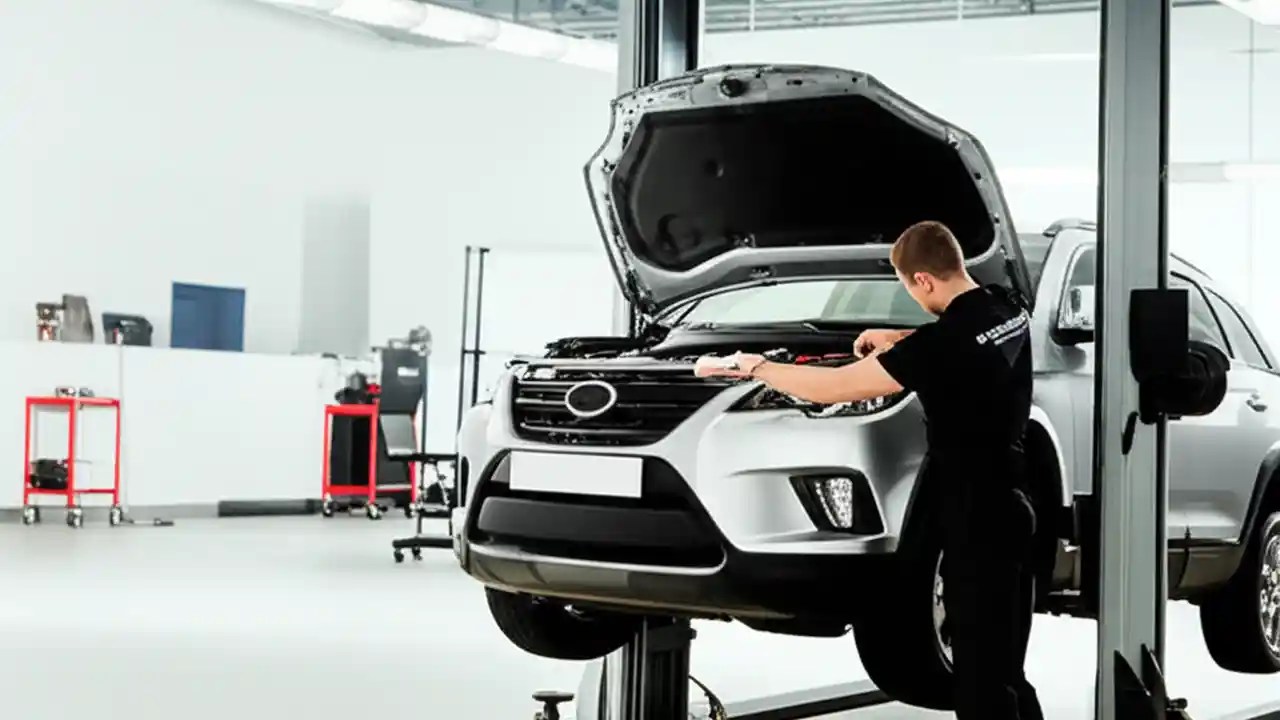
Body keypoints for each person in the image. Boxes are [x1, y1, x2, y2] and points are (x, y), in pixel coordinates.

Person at [694, 220, 1045, 720]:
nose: (913, 297)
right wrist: (896, 337)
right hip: (1015, 504)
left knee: (979, 681)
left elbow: (834, 388)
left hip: (975, 516)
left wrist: (756, 367)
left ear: (922, 280)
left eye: (909, 289)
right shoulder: (1006, 309)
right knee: (1006, 667)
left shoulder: (939, 347)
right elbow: (964, 337)